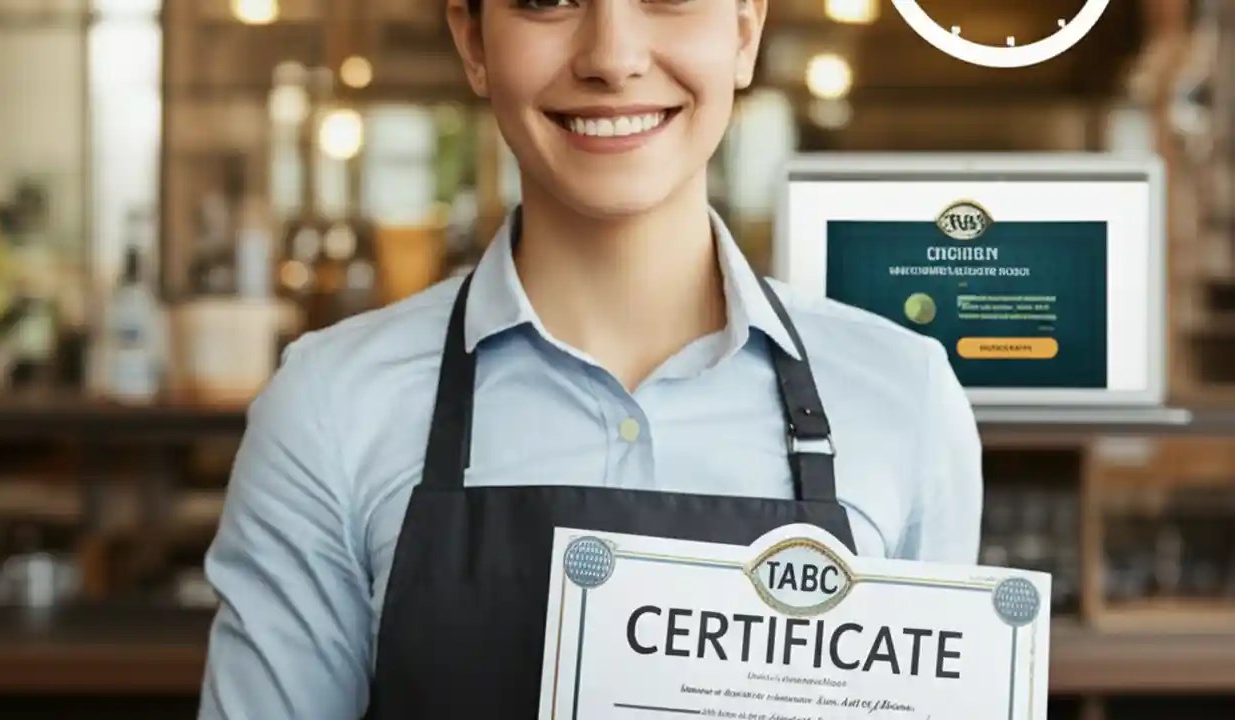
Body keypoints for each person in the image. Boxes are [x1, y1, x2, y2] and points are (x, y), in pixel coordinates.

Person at [197, 1, 982, 718]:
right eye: (547, 0)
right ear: (472, 41)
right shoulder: (330, 409)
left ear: (744, 29)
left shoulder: (903, 399)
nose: (613, 55)